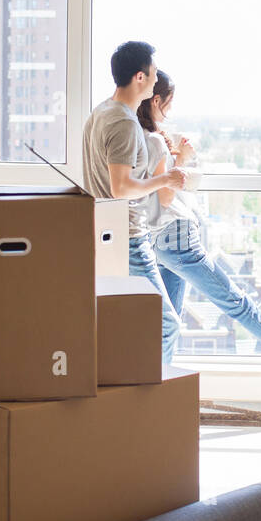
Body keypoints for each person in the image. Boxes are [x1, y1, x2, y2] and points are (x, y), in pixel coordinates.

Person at [137, 70, 261, 356]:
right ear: (156, 100)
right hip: (177, 240)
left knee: (167, 326)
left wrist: (177, 160)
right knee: (234, 301)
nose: (170, 112)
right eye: (169, 104)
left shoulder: (142, 137)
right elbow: (166, 194)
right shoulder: (155, 141)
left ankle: (159, 390)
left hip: (160, 241)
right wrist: (182, 160)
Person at [81, 42, 188, 364]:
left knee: (121, 325)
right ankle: (156, 404)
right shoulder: (124, 123)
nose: (157, 81)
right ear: (140, 77)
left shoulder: (102, 111)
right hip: (126, 236)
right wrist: (166, 180)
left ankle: (131, 399)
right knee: (166, 325)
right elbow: (120, 187)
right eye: (154, 75)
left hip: (106, 233)